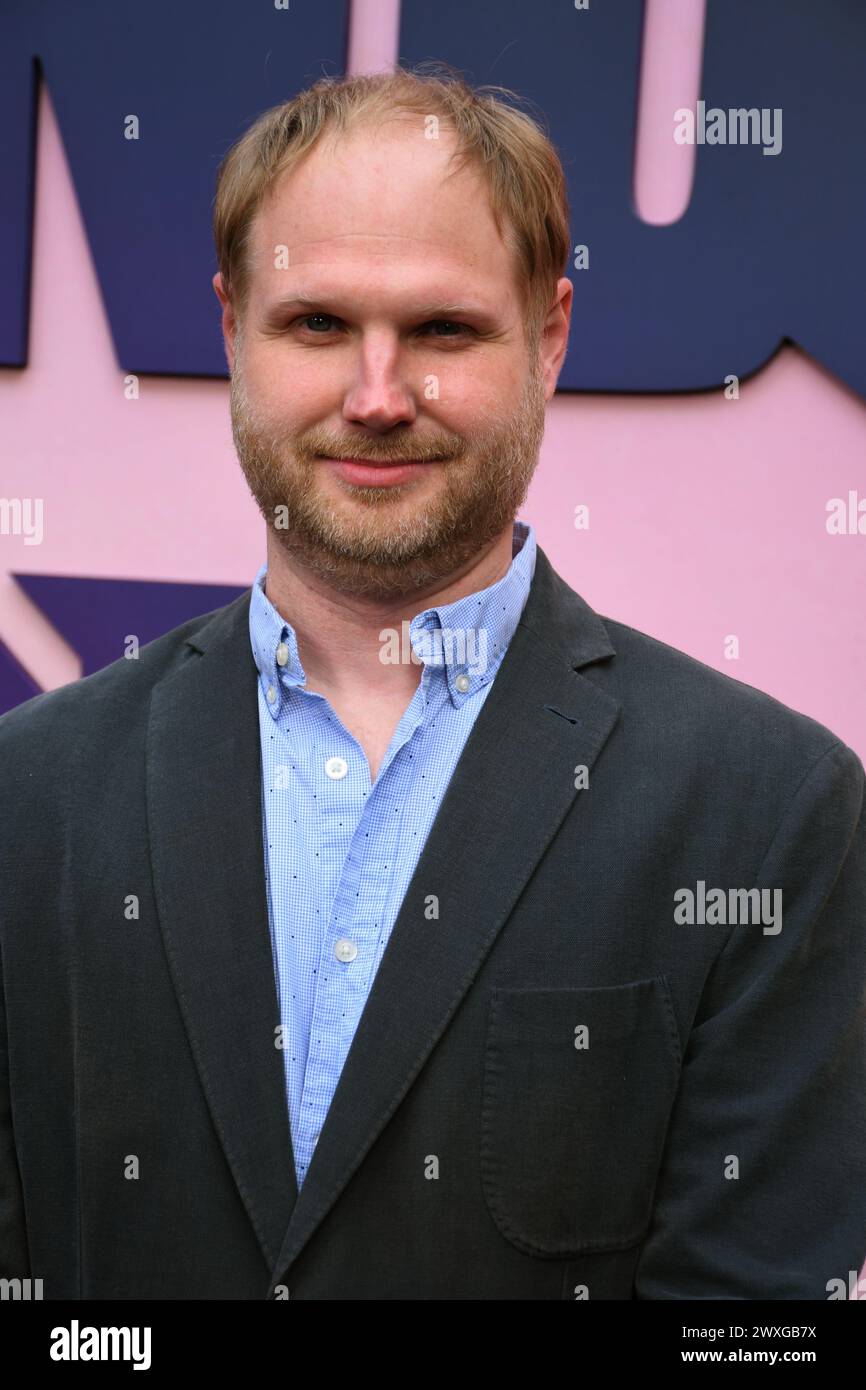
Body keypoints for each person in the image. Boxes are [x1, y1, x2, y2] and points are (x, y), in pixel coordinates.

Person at [1, 66, 865, 1301]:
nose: (374, 396)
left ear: (549, 337)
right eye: (315, 325)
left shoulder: (767, 812)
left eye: (442, 331)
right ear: (229, 326)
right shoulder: (27, 798)